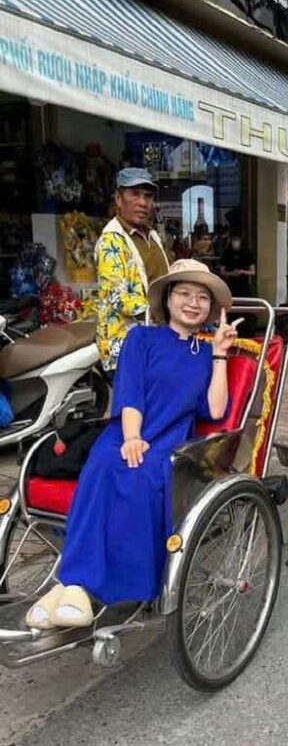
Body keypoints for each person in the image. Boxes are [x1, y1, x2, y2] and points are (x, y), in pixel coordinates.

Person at [25, 260, 236, 629]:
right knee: (105, 466)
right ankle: (73, 582)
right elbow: (130, 393)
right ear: (168, 299)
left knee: (141, 478)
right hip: (128, 431)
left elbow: (216, 409)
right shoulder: (141, 338)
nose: (193, 302)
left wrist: (220, 353)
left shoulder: (204, 354)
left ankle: (104, 587)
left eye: (202, 297)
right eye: (184, 293)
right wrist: (132, 437)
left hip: (172, 444)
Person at [95, 168, 170, 374]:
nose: (143, 202)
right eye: (135, 194)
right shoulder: (111, 241)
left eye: (147, 196)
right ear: (119, 199)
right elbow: (116, 296)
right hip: (126, 346)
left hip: (156, 338)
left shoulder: (152, 236)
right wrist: (164, 311)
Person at [220, 233, 256, 336]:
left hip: (244, 286)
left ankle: (247, 332)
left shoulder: (246, 253)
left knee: (246, 309)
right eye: (233, 240)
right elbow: (222, 271)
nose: (235, 242)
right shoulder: (227, 253)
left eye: (237, 240)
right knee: (232, 309)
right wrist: (232, 273)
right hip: (231, 285)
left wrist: (242, 272)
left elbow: (253, 271)